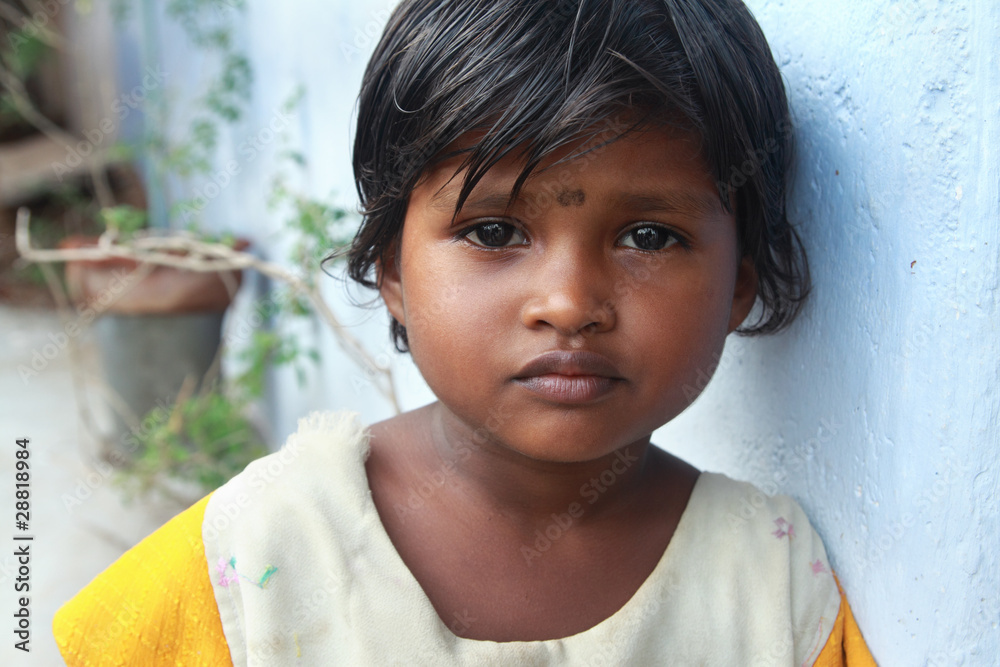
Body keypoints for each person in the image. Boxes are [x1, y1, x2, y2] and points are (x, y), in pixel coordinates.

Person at [54, 0, 877, 664]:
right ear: (392, 272)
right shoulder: (258, 558)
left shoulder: (776, 598)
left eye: (649, 236)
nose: (569, 302)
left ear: (738, 285)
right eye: (493, 232)